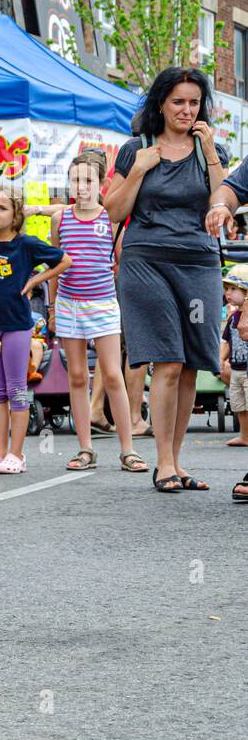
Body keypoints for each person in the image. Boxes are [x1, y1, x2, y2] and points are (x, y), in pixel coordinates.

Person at [105, 66, 229, 493]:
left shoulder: (209, 149)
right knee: (168, 360)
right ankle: (162, 464)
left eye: (194, 102)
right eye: (178, 101)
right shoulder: (135, 149)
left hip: (199, 262)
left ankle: (176, 461)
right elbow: (115, 212)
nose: (186, 109)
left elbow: (221, 201)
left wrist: (211, 152)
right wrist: (139, 170)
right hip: (146, 262)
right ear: (160, 103)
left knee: (193, 362)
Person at [49, 149, 147, 474]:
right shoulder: (59, 218)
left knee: (112, 374)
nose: (81, 186)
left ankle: (127, 450)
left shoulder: (111, 218)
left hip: (103, 304)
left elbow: (120, 261)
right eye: (75, 180)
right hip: (68, 305)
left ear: (101, 183)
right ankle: (85, 448)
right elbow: (55, 266)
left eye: (87, 180)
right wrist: (51, 308)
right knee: (77, 377)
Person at [0, 187, 71, 474]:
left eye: (2, 208)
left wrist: (37, 279)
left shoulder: (26, 245)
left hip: (16, 326)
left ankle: (17, 453)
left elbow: (64, 260)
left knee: (17, 389)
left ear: (16, 215)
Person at [218, 265, 248, 447]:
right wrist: (221, 359)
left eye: (233, 289)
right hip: (237, 367)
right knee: (239, 404)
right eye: (227, 289)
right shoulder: (233, 318)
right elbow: (227, 341)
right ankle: (245, 435)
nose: (228, 293)